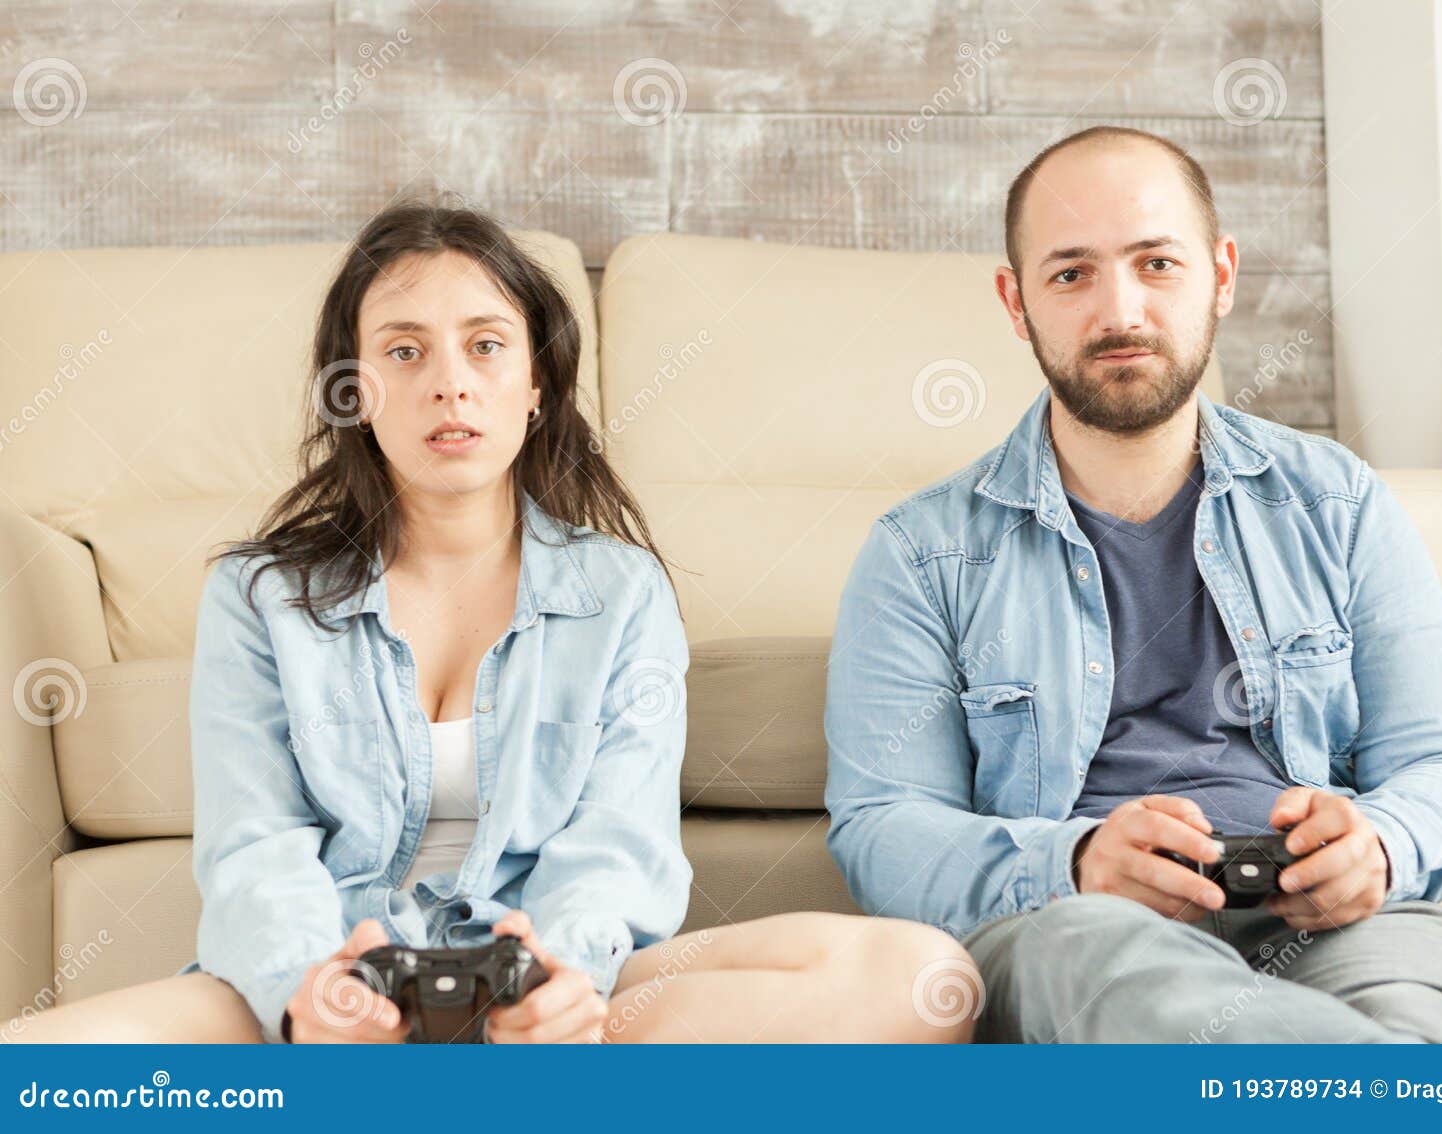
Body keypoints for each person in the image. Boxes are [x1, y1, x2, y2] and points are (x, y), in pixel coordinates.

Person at [7, 200, 971, 1044]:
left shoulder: (621, 592)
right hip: (331, 994)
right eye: (404, 351)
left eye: (485, 344)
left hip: (558, 1004)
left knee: (922, 979)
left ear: (536, 384)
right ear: (355, 392)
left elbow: (619, 843)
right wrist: (309, 1000)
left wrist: (557, 980)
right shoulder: (259, 597)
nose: (450, 383)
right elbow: (254, 846)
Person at [824, 127, 1442, 1043]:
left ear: (1220, 276)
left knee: (1428, 976)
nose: (1120, 312)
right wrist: (1074, 862)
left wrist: (1381, 846)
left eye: (1157, 263)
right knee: (1095, 957)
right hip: (1077, 928)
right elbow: (880, 829)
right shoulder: (919, 552)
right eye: (1071, 273)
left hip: (1327, 925)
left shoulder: (1339, 503)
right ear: (1016, 302)